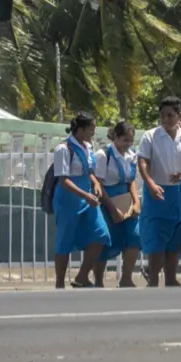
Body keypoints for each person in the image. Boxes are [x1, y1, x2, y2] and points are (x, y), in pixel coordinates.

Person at [52, 112, 110, 288]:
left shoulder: (88, 147)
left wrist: (96, 184)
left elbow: (90, 171)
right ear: (81, 129)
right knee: (65, 240)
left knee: (102, 235)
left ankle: (82, 275)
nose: (93, 132)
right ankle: (59, 282)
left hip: (88, 199)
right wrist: (85, 195)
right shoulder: (63, 148)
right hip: (68, 200)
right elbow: (63, 179)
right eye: (91, 128)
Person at [137, 97, 181, 287]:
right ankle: (152, 280)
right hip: (157, 193)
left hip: (180, 193)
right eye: (162, 115)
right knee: (157, 238)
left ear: (179, 115)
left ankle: (170, 278)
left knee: (176, 237)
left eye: (170, 115)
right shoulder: (150, 136)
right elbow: (143, 161)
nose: (166, 119)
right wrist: (150, 183)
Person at [95, 120, 143, 287]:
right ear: (115, 137)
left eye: (130, 141)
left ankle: (126, 278)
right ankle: (98, 281)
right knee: (105, 241)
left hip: (126, 201)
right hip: (107, 201)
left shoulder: (131, 154)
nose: (127, 144)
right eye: (124, 140)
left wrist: (136, 202)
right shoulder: (103, 155)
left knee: (135, 236)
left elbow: (132, 181)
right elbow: (98, 184)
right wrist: (112, 208)